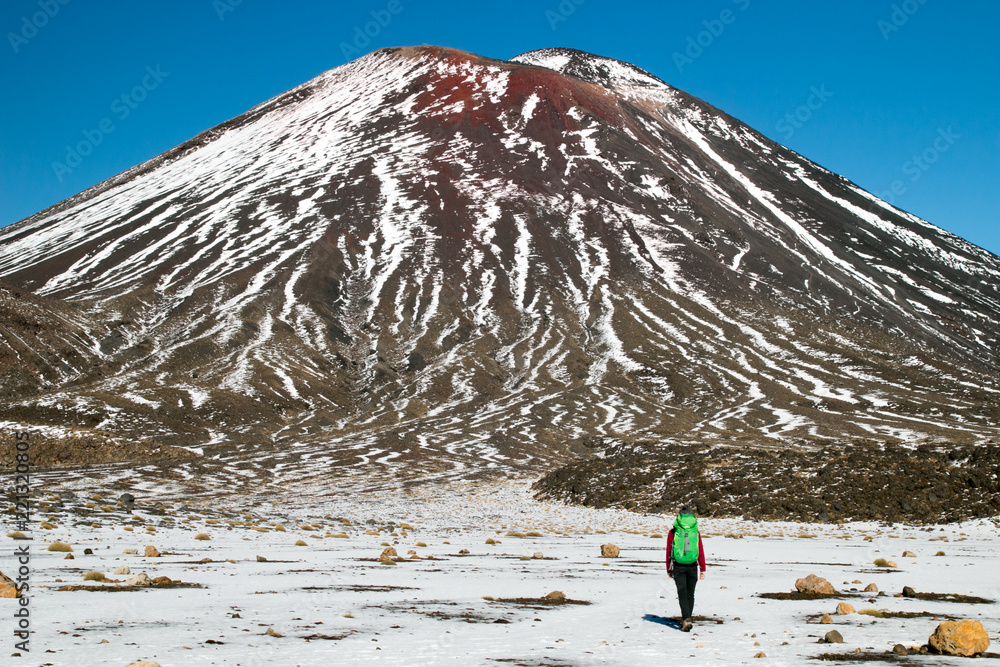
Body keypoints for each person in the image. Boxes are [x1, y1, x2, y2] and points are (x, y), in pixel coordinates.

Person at [666, 506, 706, 632]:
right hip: (693, 565)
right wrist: (703, 568)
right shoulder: (695, 531)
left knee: (682, 594)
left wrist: (669, 569)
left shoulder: (673, 532)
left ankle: (686, 618)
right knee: (690, 594)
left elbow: (669, 551)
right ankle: (687, 618)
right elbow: (700, 549)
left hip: (678, 566)